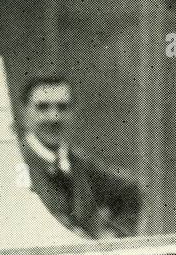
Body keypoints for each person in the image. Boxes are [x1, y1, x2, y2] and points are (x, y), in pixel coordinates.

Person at [18, 75, 143, 239]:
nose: (54, 117)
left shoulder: (80, 163)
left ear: (73, 113)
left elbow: (129, 191)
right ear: (24, 113)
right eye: (42, 108)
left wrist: (113, 236)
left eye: (62, 108)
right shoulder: (14, 162)